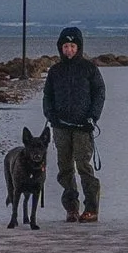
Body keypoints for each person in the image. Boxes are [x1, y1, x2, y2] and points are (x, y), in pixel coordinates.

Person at [41, 25, 105, 220]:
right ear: (61, 48)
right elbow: (47, 96)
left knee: (84, 166)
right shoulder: (55, 71)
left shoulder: (89, 69)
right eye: (66, 46)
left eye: (72, 46)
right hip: (60, 127)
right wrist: (50, 114)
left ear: (79, 48)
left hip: (82, 127)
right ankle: (71, 208)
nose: (69, 50)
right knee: (65, 168)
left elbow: (99, 94)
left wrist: (92, 117)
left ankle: (91, 208)